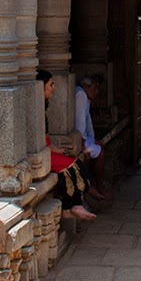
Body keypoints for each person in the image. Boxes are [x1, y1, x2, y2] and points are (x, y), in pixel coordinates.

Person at [38, 71, 96, 221]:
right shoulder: (35, 109)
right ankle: (72, 207)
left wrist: (56, 149)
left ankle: (71, 207)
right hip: (39, 154)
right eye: (51, 84)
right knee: (72, 167)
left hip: (46, 149)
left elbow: (45, 137)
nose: (54, 88)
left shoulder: (41, 107)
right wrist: (53, 149)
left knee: (75, 161)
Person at [76, 74, 111, 201]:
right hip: (79, 139)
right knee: (98, 153)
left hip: (84, 137)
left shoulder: (85, 97)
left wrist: (92, 138)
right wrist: (82, 141)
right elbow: (79, 120)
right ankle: (93, 185)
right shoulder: (80, 95)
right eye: (94, 88)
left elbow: (87, 120)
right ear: (86, 87)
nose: (97, 92)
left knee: (99, 146)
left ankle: (94, 183)